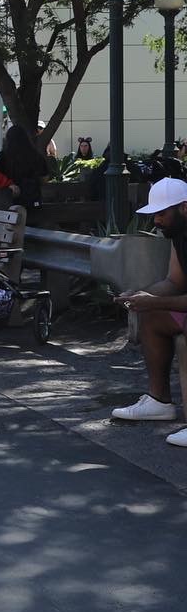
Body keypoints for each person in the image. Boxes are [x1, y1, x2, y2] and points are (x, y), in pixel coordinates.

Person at [113, 178, 187, 445]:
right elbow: (174, 282)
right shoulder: (179, 234)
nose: (156, 220)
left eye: (161, 213)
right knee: (152, 317)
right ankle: (159, 401)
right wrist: (140, 296)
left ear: (185, 208)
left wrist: (153, 301)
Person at [0, 124, 51, 208]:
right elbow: (45, 177)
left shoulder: (2, 157)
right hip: (32, 202)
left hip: (9, 204)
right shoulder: (36, 156)